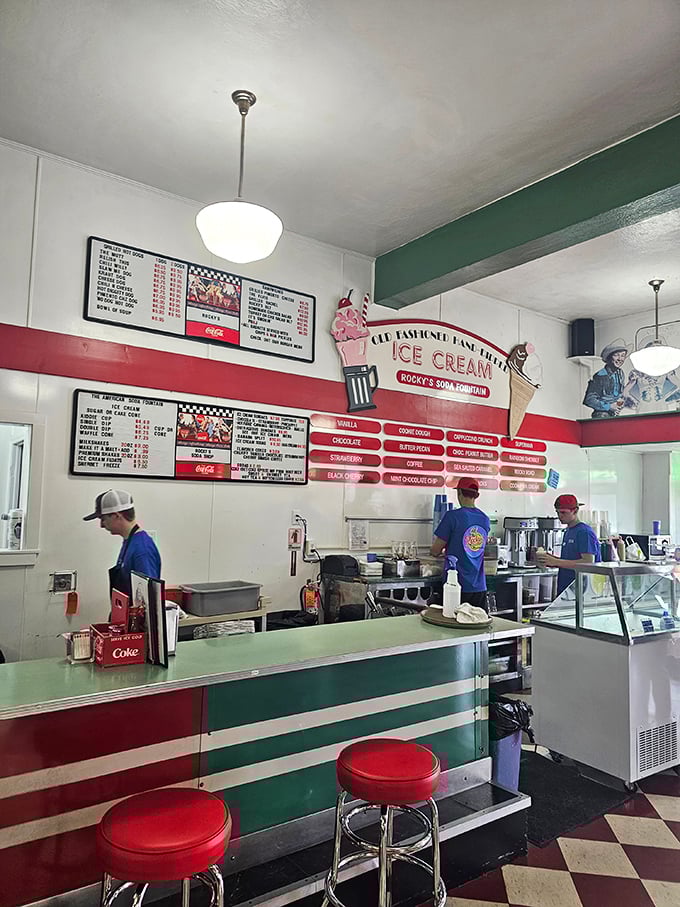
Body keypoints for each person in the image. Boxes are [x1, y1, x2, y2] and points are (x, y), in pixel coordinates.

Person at [83, 489, 161, 599]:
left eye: (103, 519)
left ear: (116, 515)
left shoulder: (142, 549)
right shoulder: (129, 541)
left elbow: (148, 600)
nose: (101, 525)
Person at [430, 478, 491, 611]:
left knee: (453, 627)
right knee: (477, 625)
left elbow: (435, 550)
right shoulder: (485, 519)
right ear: (476, 496)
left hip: (455, 586)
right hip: (479, 587)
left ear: (459, 493)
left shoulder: (452, 516)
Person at [537, 494, 600, 596]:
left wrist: (556, 562)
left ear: (575, 511)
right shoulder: (568, 531)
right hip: (566, 589)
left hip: (581, 590)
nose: (559, 516)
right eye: (557, 512)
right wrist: (549, 558)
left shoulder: (584, 532)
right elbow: (569, 559)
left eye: (563, 512)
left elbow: (588, 562)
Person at [583, 339, 628, 418]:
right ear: (609, 357)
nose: (620, 359)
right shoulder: (599, 376)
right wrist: (609, 406)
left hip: (615, 413)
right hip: (601, 415)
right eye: (616, 355)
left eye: (623, 355)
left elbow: (619, 394)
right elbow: (589, 400)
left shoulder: (620, 373)